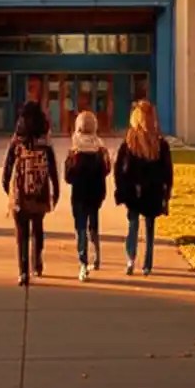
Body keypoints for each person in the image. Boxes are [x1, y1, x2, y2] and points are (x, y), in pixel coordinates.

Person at [3, 100, 59, 286]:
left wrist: (6, 186)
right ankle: (37, 262)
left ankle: (23, 271)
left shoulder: (17, 141)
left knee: (22, 233)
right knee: (38, 227)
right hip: (40, 193)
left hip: (20, 193)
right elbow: (52, 169)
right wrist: (56, 191)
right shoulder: (45, 142)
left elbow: (7, 166)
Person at [113, 100, 173, 277]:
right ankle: (147, 264)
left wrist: (121, 187)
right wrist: (166, 193)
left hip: (135, 191)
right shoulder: (160, 145)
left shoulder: (130, 142)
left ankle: (131, 258)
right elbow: (167, 172)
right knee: (149, 228)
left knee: (133, 224)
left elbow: (119, 168)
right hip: (152, 192)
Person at [64, 111, 111, 282]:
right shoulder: (100, 147)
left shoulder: (75, 149)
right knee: (94, 224)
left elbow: (68, 177)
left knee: (80, 227)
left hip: (79, 194)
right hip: (96, 192)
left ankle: (83, 262)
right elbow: (106, 170)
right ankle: (97, 256)